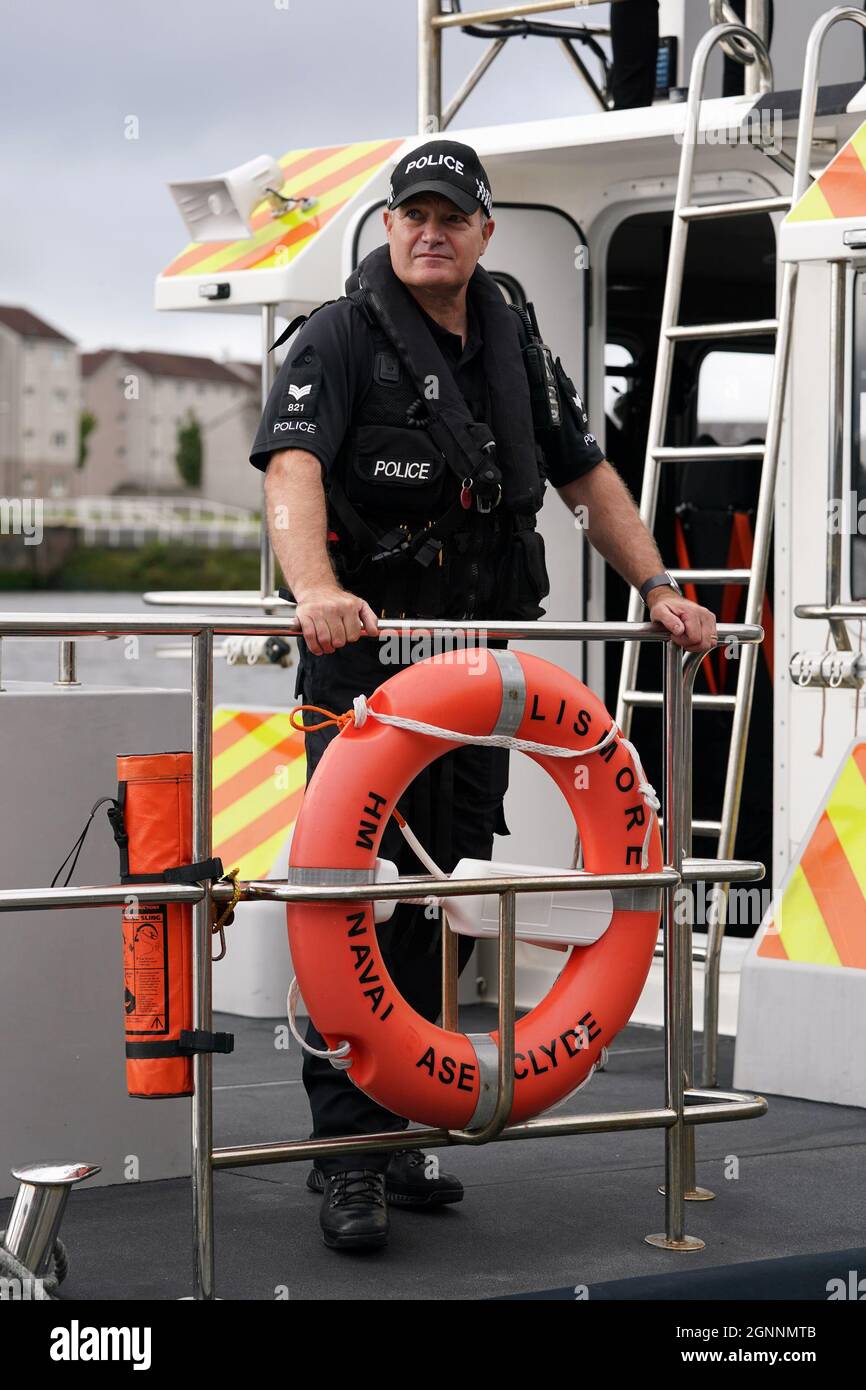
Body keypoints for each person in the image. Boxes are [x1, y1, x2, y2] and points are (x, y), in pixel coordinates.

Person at [249, 138, 716, 1253]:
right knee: (346, 905)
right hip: (366, 669)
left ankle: (398, 1130)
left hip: (477, 675)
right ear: (389, 228)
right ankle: (344, 1160)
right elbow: (291, 468)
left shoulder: (513, 335)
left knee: (437, 894)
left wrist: (655, 584)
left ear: (481, 231)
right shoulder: (339, 336)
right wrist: (315, 588)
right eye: (411, 213)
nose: (429, 230)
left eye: (449, 215)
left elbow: (582, 471)